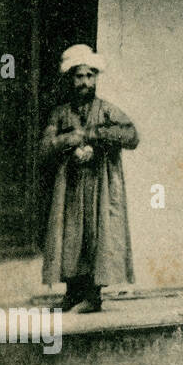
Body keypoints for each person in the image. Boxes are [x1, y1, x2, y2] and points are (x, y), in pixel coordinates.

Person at [40, 45, 140, 313]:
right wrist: (70, 140)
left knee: (96, 236)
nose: (84, 82)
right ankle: (73, 294)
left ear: (96, 78)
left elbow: (131, 136)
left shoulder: (107, 110)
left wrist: (95, 138)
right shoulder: (60, 113)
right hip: (70, 188)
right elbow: (45, 146)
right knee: (71, 237)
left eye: (89, 76)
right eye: (79, 76)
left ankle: (93, 297)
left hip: (100, 186)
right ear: (70, 79)